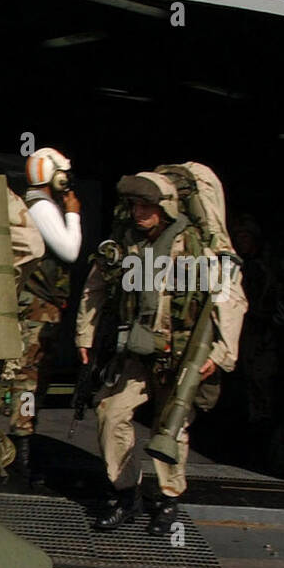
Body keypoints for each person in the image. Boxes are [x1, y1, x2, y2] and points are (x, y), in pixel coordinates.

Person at [76, 171, 247, 534]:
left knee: (172, 426)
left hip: (181, 352)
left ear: (166, 208)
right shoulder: (125, 241)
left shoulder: (195, 245)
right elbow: (96, 285)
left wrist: (220, 355)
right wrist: (84, 336)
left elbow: (230, 298)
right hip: (135, 351)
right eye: (135, 205)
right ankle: (125, 494)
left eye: (147, 206)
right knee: (111, 412)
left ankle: (168, 500)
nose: (139, 213)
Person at [9, 147, 82, 478]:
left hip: (44, 308)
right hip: (36, 311)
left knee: (37, 379)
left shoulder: (37, 204)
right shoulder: (41, 207)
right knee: (28, 378)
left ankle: (25, 440)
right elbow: (69, 250)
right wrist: (74, 213)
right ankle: (20, 449)